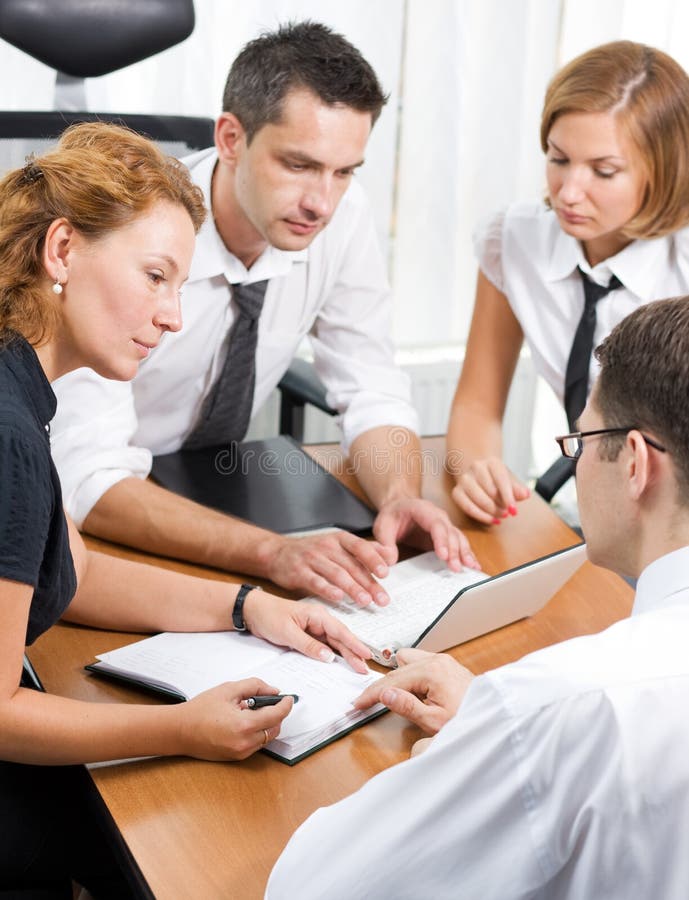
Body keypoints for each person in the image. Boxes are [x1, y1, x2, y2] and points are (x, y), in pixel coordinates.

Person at [0, 122, 372, 898]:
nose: (173, 317)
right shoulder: (11, 444)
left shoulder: (23, 390)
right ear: (62, 252)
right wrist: (178, 728)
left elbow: (74, 566)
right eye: (155, 276)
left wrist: (249, 607)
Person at [267, 295, 689, 899]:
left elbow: (308, 886)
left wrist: (482, 750)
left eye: (582, 439)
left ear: (636, 465)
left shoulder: (558, 704)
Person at [49, 21, 478, 609]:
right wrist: (273, 553)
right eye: (299, 165)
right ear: (230, 138)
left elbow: (372, 385)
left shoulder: (341, 217)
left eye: (345, 170)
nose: (321, 202)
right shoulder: (130, 236)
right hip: (103, 514)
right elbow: (88, 479)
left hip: (221, 486)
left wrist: (400, 495)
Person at [447, 40, 689, 524]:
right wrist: (477, 469)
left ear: (662, 171)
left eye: (604, 170)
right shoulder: (513, 241)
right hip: (600, 515)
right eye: (558, 159)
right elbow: (477, 404)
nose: (569, 192)